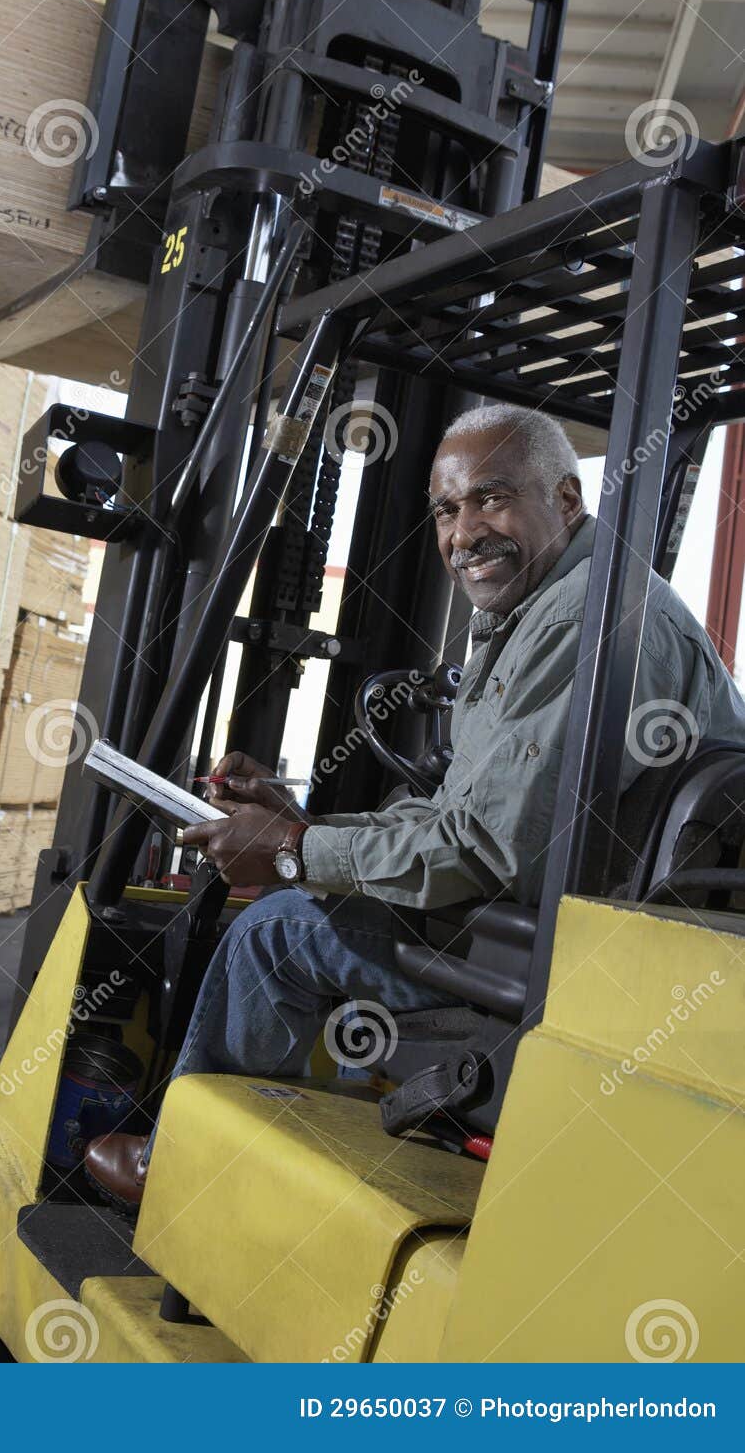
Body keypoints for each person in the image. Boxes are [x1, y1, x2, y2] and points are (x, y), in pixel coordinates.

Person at [84, 403, 745, 1209]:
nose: (464, 533)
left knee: (277, 931)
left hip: (564, 969)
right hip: (555, 933)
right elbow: (458, 814)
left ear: (566, 500)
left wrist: (292, 855)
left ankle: (179, 1174)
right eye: (446, 509)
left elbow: (479, 851)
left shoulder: (583, 620)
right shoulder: (542, 608)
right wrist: (301, 827)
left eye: (492, 498)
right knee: (314, 896)